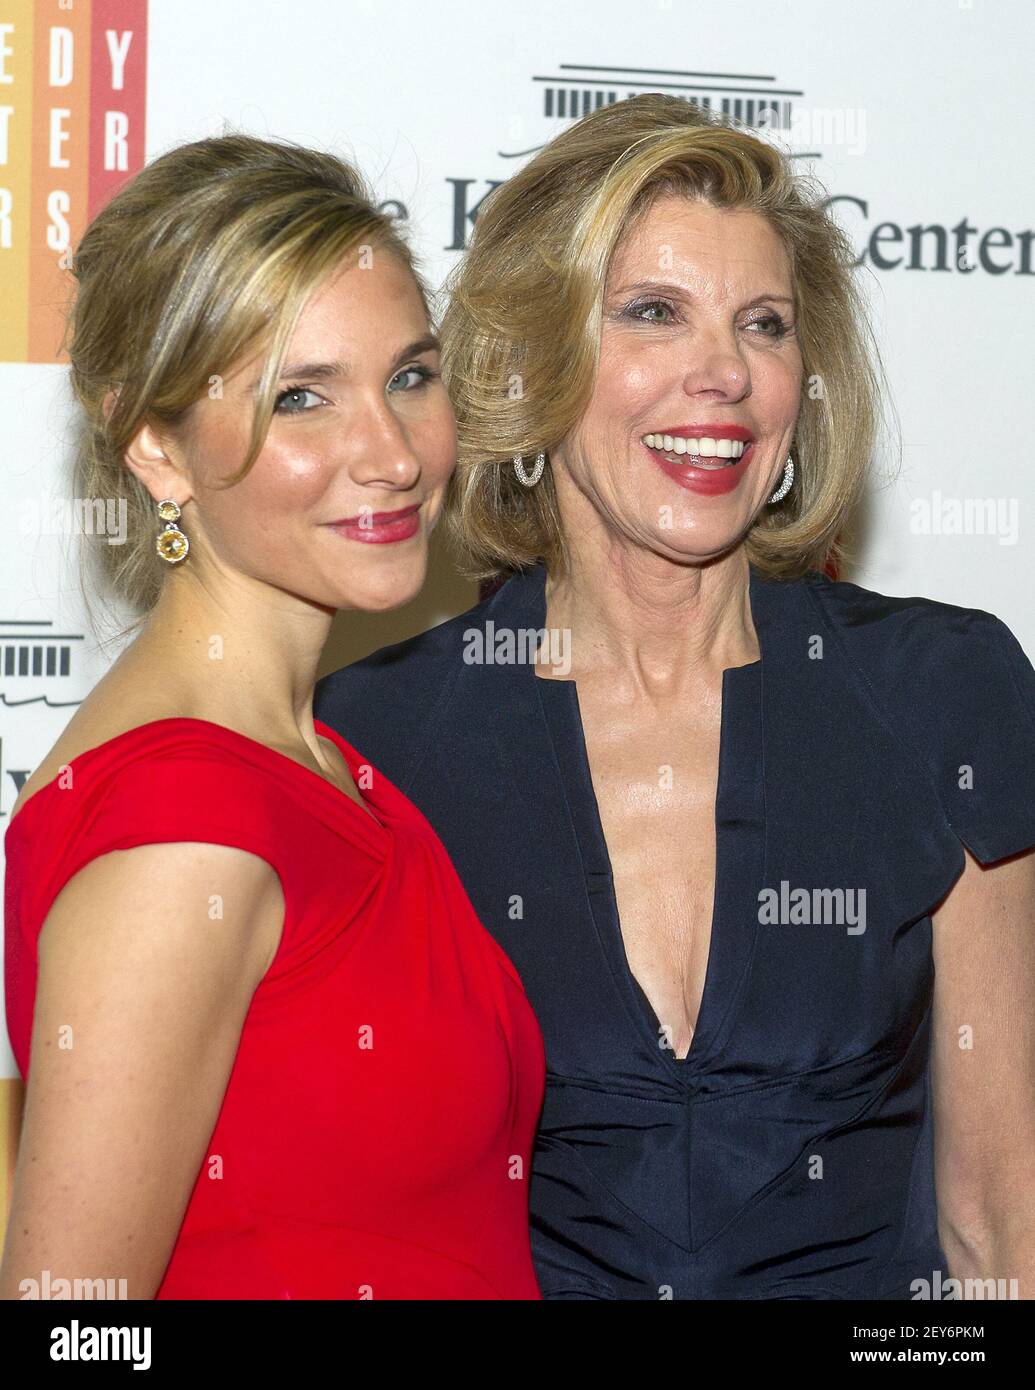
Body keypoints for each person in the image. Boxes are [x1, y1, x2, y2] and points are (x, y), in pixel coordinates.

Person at [315, 95, 1035, 1300]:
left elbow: (1003, 1224)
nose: (725, 374)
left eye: (765, 325)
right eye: (654, 312)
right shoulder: (377, 741)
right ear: (534, 358)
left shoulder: (941, 693)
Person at [1, 134, 544, 1301]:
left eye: (410, 375)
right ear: (156, 446)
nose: (393, 454)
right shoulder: (179, 829)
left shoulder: (325, 758)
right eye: (302, 397)